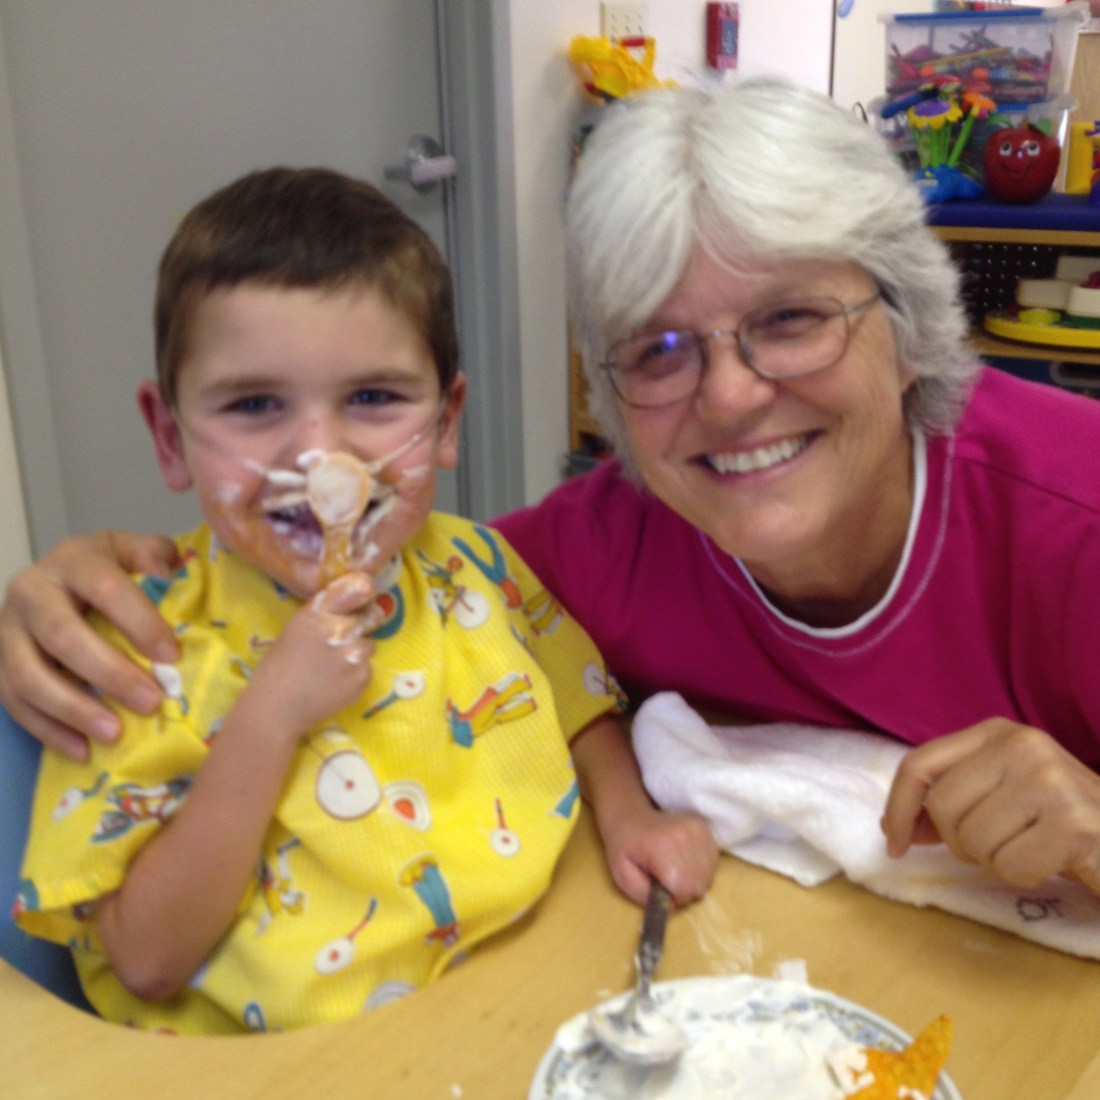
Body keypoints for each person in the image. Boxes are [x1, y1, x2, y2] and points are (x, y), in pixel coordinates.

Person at [4, 76, 1100, 901]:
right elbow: (374, 553)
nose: (726, 396)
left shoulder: (1073, 521)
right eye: (660, 349)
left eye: (791, 319)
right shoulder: (584, 550)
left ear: (906, 332)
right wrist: (87, 574)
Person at [9, 166, 716, 1034]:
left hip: (524, 996)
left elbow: (578, 701)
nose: (322, 458)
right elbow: (148, 959)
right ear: (170, 436)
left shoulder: (477, 567)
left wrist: (631, 816)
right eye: (255, 403)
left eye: (374, 398)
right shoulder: (134, 644)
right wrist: (270, 717)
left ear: (448, 421)